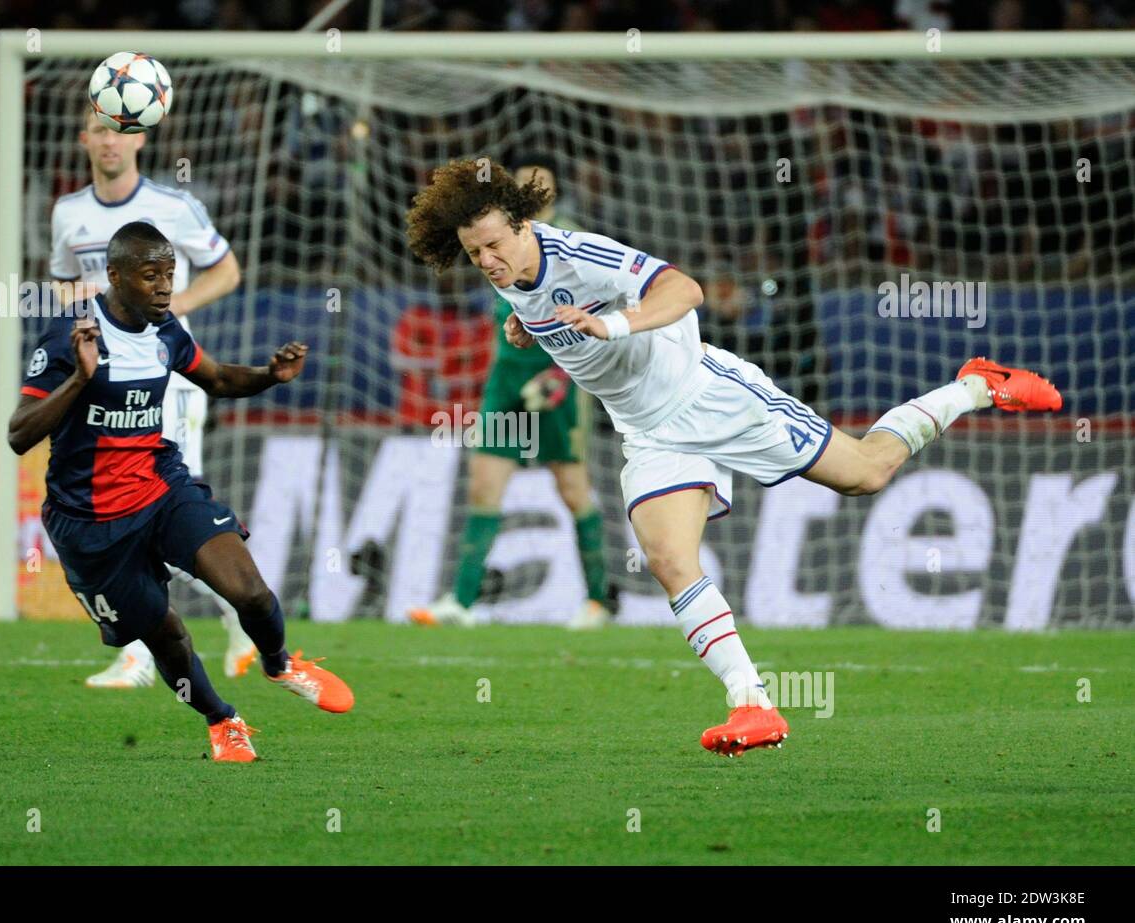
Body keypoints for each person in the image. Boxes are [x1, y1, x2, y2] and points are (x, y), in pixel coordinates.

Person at [405, 158, 1061, 756]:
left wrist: (615, 324)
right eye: (473, 252)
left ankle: (974, 385)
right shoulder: (509, 279)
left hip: (709, 395)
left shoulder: (579, 255)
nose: (487, 259)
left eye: (494, 243)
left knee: (866, 473)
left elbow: (683, 290)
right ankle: (754, 704)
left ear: (523, 224)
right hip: (650, 433)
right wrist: (531, 325)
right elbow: (542, 310)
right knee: (667, 560)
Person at [10, 221, 354, 762]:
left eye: (170, 274)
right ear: (116, 276)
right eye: (152, 276)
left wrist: (269, 375)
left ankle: (280, 662)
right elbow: (18, 433)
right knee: (165, 635)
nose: (166, 287)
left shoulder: (166, 331)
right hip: (90, 519)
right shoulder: (67, 339)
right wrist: (80, 380)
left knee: (253, 593)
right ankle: (223, 721)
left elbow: (216, 379)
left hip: (160, 486)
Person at [51, 104, 255, 687]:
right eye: (100, 131)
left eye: (121, 132)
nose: (109, 142)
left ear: (138, 139)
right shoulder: (68, 213)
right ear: (84, 137)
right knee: (121, 510)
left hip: (166, 382)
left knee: (158, 507)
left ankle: (142, 652)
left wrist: (169, 311)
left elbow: (227, 271)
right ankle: (228, 613)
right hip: (99, 387)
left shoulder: (173, 208)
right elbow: (66, 287)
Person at [408, 156, 611, 630]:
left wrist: (562, 373)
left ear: (553, 195)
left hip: (559, 378)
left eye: (540, 188)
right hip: (506, 379)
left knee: (572, 489)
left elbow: (596, 311)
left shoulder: (571, 243)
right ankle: (461, 601)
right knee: (484, 484)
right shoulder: (495, 244)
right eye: (522, 189)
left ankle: (600, 602)